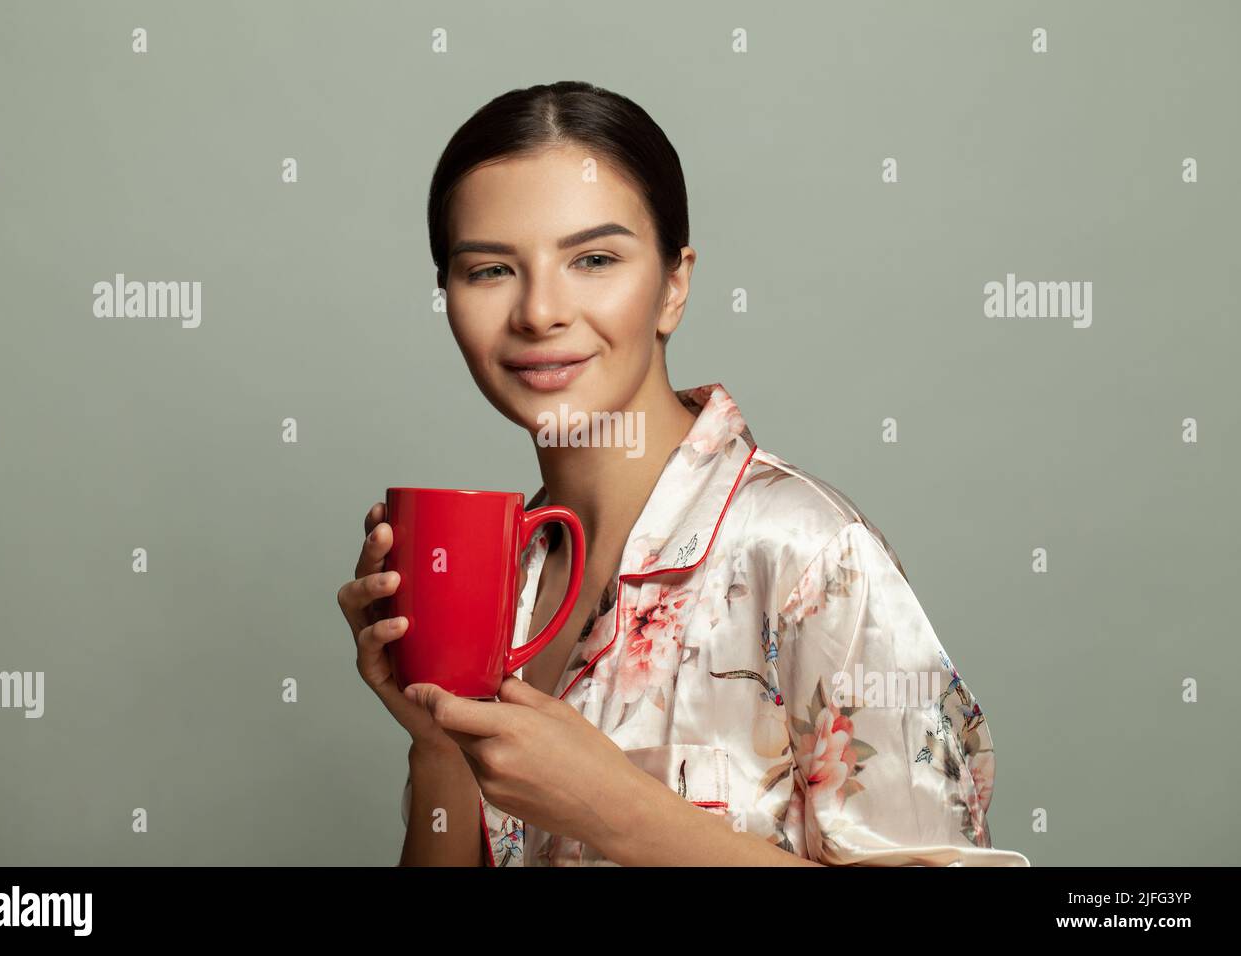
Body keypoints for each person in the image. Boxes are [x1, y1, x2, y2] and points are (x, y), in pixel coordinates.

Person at [336, 81, 1030, 867]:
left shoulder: (809, 556)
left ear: (674, 284)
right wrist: (437, 742)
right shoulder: (505, 582)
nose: (539, 311)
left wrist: (617, 810)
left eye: (593, 259)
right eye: (491, 270)